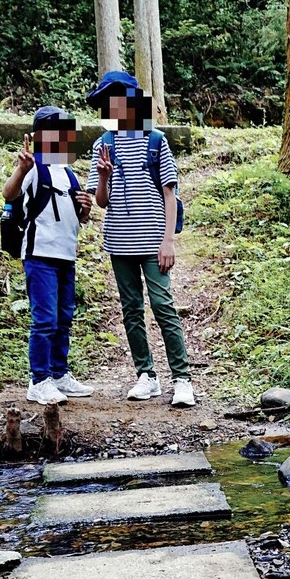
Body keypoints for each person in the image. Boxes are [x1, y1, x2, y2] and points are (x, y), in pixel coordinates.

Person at [86, 70, 195, 406]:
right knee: (131, 310)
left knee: (163, 306)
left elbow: (169, 194)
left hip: (153, 241)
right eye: (109, 104)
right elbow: (101, 201)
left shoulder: (155, 140)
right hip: (119, 242)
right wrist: (103, 177)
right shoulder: (102, 145)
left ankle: (182, 379)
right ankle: (146, 375)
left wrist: (168, 240)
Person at [2, 106, 94, 405]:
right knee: (44, 320)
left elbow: (80, 218)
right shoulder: (34, 167)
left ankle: (59, 373)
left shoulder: (67, 172)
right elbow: (8, 194)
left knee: (64, 318)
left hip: (66, 255)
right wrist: (21, 169)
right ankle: (39, 380)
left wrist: (85, 209)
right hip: (39, 254)